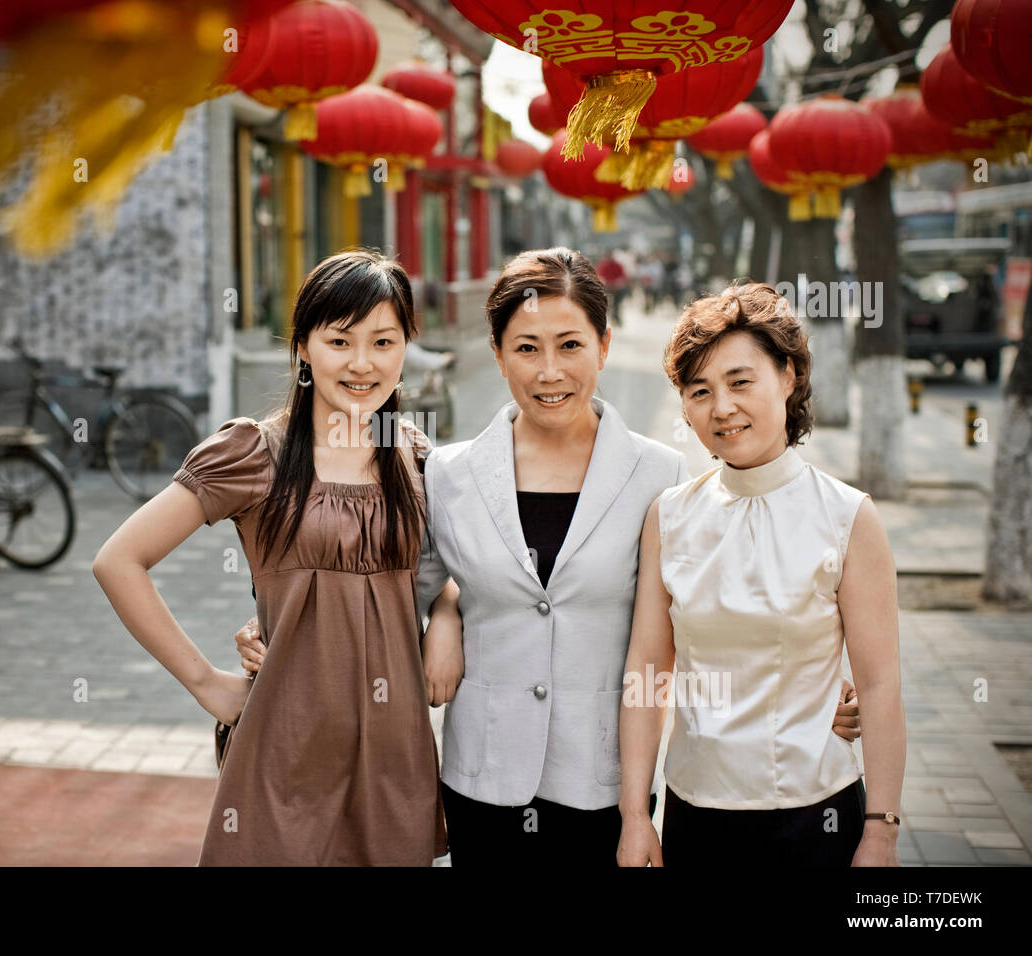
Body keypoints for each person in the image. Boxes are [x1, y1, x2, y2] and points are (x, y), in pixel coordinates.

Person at [237, 252, 861, 867]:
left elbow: (704, 611)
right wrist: (441, 610)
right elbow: (393, 588)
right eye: (527, 348)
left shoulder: (659, 475)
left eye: (570, 345)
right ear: (498, 355)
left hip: (604, 785)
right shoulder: (450, 473)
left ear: (604, 346)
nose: (549, 371)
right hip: (483, 781)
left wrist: (806, 683)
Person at [93, 250, 449, 866]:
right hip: (286, 748)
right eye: (339, 341)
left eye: (383, 342)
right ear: (304, 347)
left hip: (395, 753)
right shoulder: (254, 453)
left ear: (404, 348)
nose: (362, 363)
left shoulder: (416, 458)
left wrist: (447, 617)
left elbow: (457, 571)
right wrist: (207, 684)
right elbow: (118, 560)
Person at [617, 282, 905, 867]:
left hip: (816, 814)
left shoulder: (848, 516)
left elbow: (879, 685)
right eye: (700, 391)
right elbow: (647, 672)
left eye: (740, 382)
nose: (722, 407)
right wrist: (635, 815)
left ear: (788, 376)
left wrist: (881, 831)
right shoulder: (668, 518)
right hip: (696, 812)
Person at [597, 249, 628, 326]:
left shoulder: (618, 265)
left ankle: (617, 318)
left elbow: (622, 276)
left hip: (617, 288)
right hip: (607, 287)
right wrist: (606, 283)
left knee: (617, 304)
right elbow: (599, 276)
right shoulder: (603, 265)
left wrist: (617, 283)